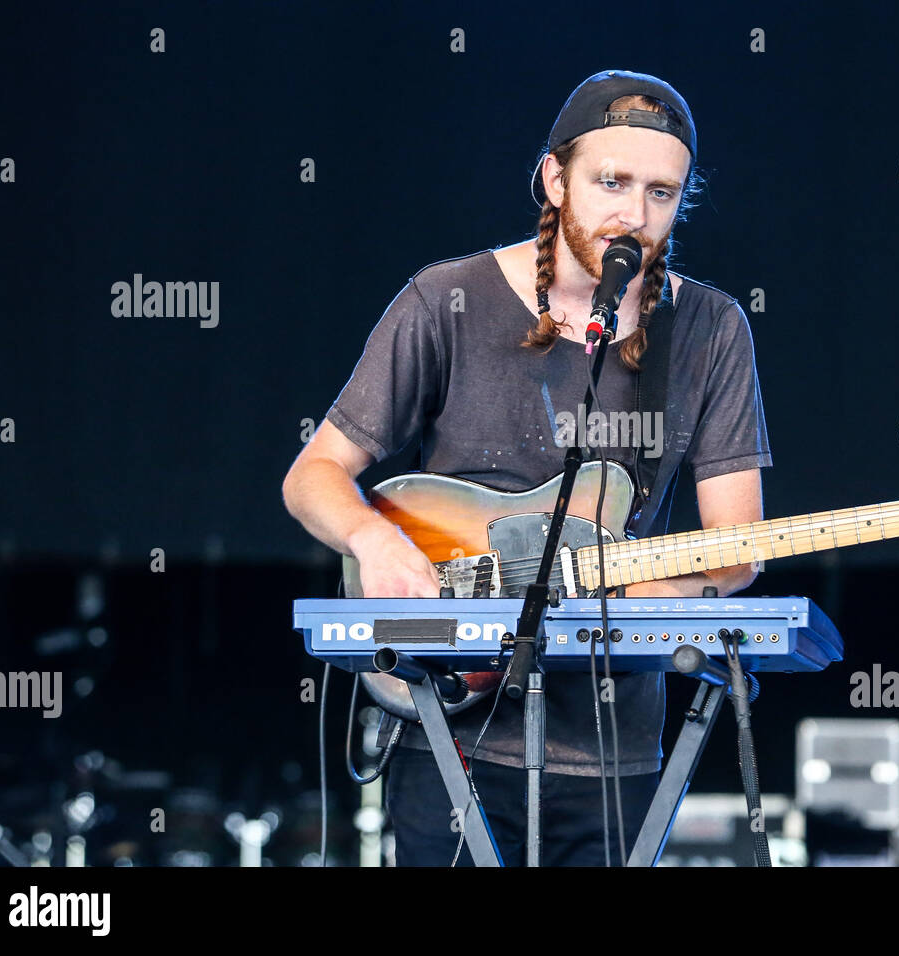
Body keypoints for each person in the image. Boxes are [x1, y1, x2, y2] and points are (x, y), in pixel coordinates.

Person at [281, 69, 772, 866]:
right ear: (554, 178)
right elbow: (315, 475)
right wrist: (374, 542)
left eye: (660, 192)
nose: (633, 214)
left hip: (614, 743)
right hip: (449, 725)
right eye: (611, 182)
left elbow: (735, 553)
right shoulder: (447, 299)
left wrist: (622, 584)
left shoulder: (711, 329)